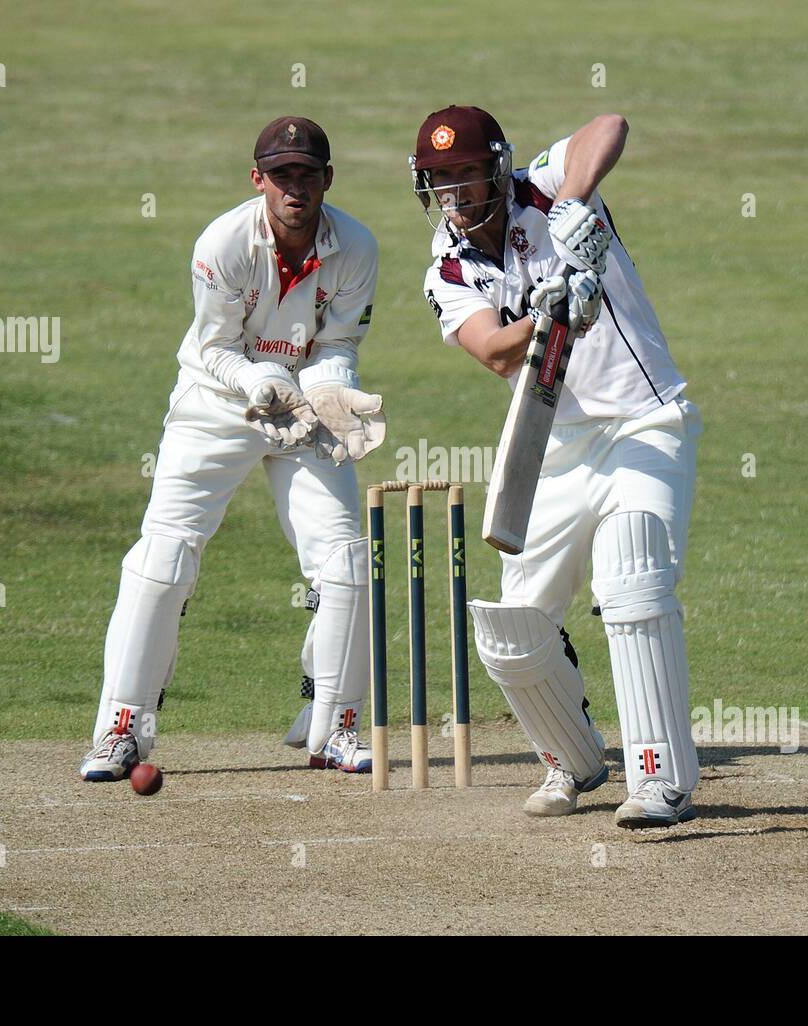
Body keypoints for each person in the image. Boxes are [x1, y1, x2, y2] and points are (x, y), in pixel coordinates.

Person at [412, 106, 702, 828]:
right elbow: (496, 353)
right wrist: (551, 311)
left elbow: (610, 123)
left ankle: (660, 780)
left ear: (497, 167)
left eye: (467, 174)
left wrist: (576, 206)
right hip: (553, 449)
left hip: (645, 421)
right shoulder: (447, 271)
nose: (455, 193)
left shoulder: (542, 185)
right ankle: (570, 760)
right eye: (440, 181)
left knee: (632, 577)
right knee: (511, 631)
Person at [80, 116, 385, 782]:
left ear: (327, 179)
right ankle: (122, 727)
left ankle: (335, 722)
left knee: (348, 563)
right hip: (215, 408)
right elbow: (216, 347)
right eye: (281, 177)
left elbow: (335, 345)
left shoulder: (357, 246)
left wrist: (333, 392)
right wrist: (260, 379)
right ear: (258, 181)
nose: (294, 190)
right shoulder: (224, 242)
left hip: (302, 411)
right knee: (163, 557)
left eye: (307, 175)